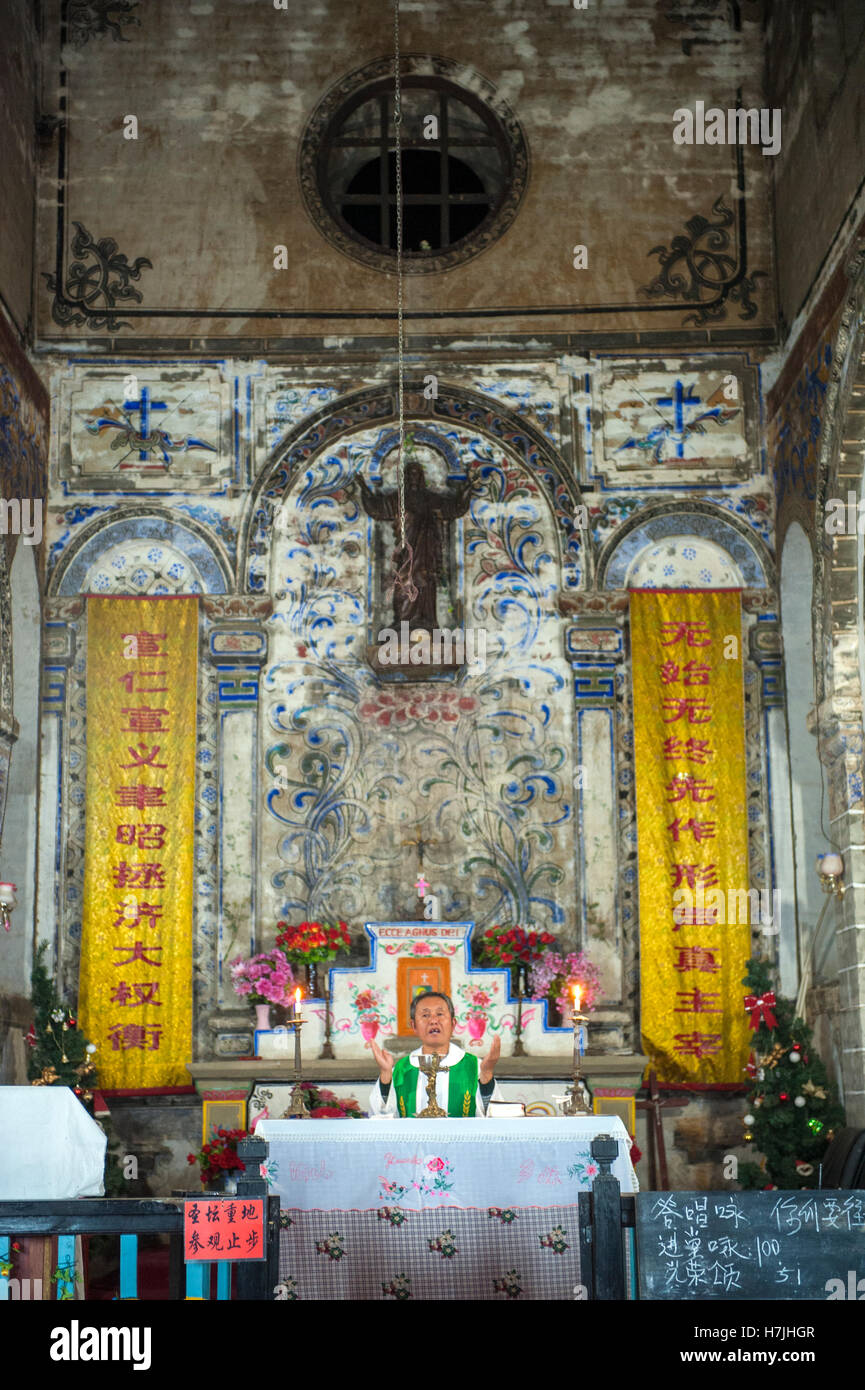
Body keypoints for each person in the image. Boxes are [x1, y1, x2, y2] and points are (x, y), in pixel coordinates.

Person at [367, 990, 502, 1117]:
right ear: (414, 1026)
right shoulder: (401, 1070)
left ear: (453, 1023)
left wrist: (487, 1077)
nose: (433, 1021)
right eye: (425, 1015)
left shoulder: (475, 1067)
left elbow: (494, 1117)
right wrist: (385, 1075)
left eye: (440, 1014)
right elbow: (379, 1118)